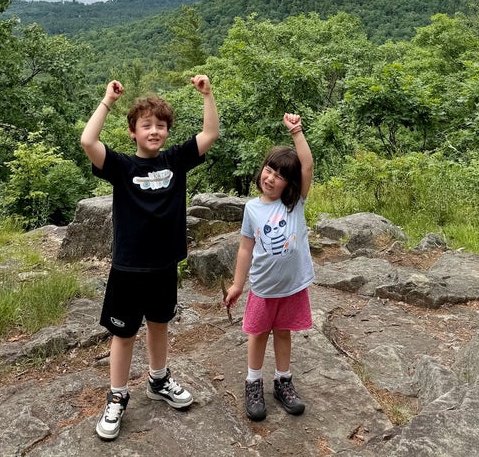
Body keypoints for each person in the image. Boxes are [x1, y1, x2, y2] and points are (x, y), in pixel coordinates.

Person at [80, 74, 219, 441]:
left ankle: (159, 380)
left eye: (160, 125)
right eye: (146, 125)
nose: (154, 131)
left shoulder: (175, 160)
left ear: (167, 131)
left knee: (159, 324)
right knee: (123, 334)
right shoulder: (123, 167)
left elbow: (209, 135)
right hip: (128, 265)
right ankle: (117, 395)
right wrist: (107, 101)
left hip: (164, 264)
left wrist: (208, 95)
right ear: (133, 132)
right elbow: (88, 141)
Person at [224, 113, 314, 422]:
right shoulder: (252, 208)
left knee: (283, 332)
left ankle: (283, 381)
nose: (271, 177)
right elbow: (245, 248)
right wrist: (237, 285)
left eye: (280, 174)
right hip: (262, 287)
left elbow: (307, 166)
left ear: (290, 183)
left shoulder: (294, 204)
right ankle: (253, 383)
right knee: (259, 334)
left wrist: (297, 133)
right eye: (268, 169)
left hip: (291, 286)